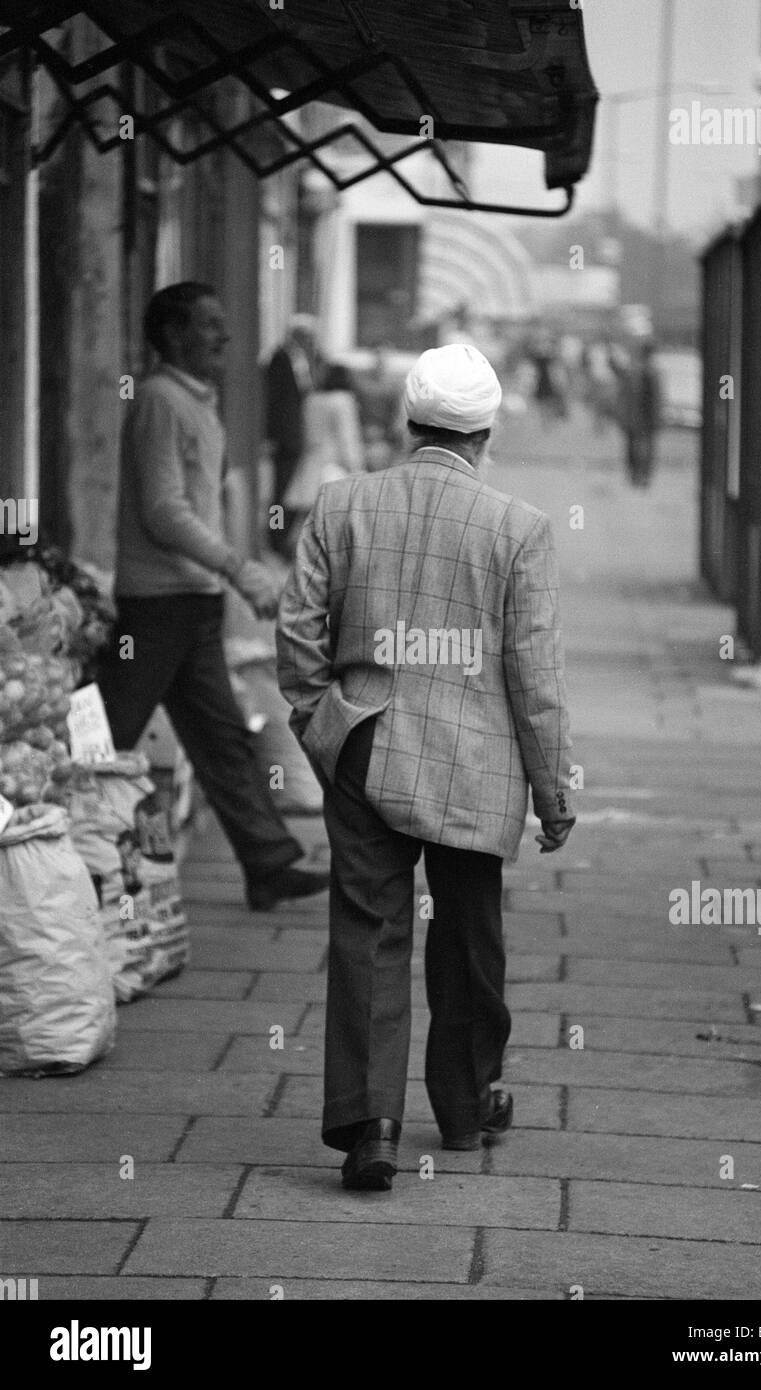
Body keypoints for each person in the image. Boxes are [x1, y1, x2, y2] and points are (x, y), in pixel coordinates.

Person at [276, 342, 576, 1192]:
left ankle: (371, 1126)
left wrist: (320, 724)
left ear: (406, 424)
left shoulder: (341, 504)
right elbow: (534, 676)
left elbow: (296, 630)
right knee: (468, 939)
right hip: (473, 762)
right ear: (485, 433)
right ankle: (466, 1104)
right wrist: (552, 791)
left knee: (369, 930)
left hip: (364, 743)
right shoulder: (518, 529)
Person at [99, 281, 329, 908]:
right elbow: (163, 512)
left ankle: (269, 861)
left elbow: (193, 507)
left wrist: (234, 574)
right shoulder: (159, 401)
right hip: (157, 605)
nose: (224, 337)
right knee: (110, 735)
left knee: (222, 738)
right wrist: (239, 568)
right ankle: (57, 857)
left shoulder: (196, 401)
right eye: (209, 325)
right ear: (173, 335)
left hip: (192, 601)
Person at [277, 362, 363, 558]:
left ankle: (287, 543)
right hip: (334, 464)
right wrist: (357, 467)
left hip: (310, 459)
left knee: (301, 511)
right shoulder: (343, 400)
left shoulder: (312, 399)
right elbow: (347, 437)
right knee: (333, 515)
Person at [263, 316, 317, 556]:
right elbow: (274, 399)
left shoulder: (301, 360)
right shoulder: (281, 358)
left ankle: (282, 534)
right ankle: (275, 534)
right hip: (284, 437)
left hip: (296, 435)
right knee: (281, 491)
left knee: (290, 491)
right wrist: (271, 435)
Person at [609, 338, 662, 487]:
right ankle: (638, 476)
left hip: (643, 417)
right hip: (638, 417)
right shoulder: (638, 372)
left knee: (641, 448)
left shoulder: (644, 372)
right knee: (638, 448)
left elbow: (657, 399)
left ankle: (640, 476)